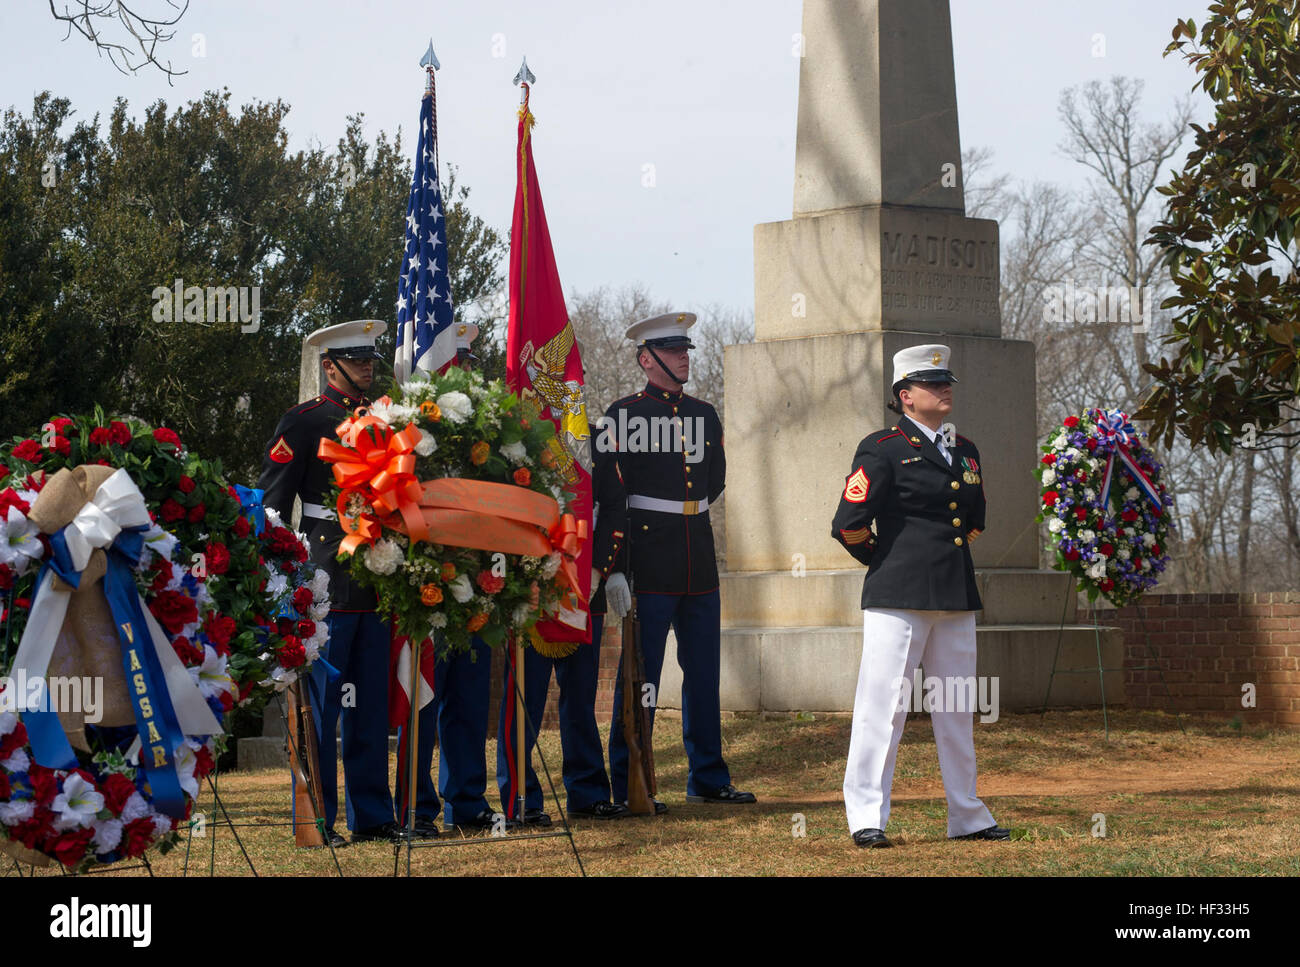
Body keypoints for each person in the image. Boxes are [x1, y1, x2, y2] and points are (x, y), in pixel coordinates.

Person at [831, 343, 1010, 848]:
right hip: (898, 595)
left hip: (954, 592)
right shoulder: (883, 447)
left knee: (956, 709)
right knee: (882, 707)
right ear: (905, 396)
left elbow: (973, 520)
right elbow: (849, 524)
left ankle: (968, 815)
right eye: (932, 383)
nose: (944, 388)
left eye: (946, 381)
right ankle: (867, 816)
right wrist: (886, 563)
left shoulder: (966, 449)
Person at [258, 319, 410, 846]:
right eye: (357, 360)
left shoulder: (387, 418)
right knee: (322, 707)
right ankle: (319, 817)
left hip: (380, 574)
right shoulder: (302, 421)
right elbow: (272, 505)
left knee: (368, 705)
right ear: (330, 367)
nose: (368, 367)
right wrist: (284, 578)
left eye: (371, 359)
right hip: (324, 576)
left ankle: (373, 816)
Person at [603, 312, 756, 810]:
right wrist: (617, 566)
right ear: (647, 360)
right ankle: (632, 782)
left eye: (686, 349)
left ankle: (707, 778)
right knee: (640, 676)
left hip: (697, 559)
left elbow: (714, 482)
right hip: (648, 561)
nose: (684, 357)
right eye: (671, 351)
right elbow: (611, 496)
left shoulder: (705, 414)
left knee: (704, 673)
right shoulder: (620, 416)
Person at [496, 427, 632, 824]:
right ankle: (521, 798)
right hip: (531, 589)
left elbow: (615, 506)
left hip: (582, 585)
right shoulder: (516, 438)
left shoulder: (597, 437)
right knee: (525, 700)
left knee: (581, 699)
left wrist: (602, 569)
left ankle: (587, 791)